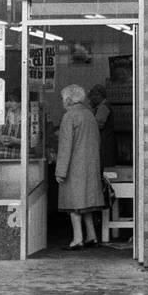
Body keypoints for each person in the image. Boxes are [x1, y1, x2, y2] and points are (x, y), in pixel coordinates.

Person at [56, 84, 103, 250]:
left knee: (74, 205)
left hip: (75, 166)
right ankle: (92, 236)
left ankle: (77, 238)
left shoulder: (70, 116)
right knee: (86, 204)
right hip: (91, 165)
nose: (62, 102)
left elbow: (65, 146)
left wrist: (60, 171)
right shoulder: (89, 114)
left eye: (62, 98)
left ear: (69, 99)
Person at [88, 84, 118, 170]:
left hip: (105, 142)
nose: (92, 98)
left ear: (99, 96)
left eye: (94, 96)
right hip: (106, 141)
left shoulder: (103, 107)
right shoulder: (102, 106)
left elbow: (97, 125)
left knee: (105, 169)